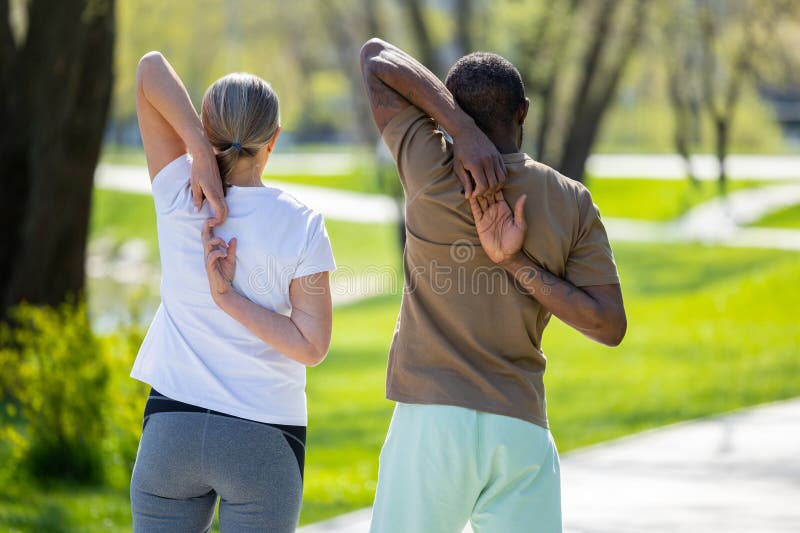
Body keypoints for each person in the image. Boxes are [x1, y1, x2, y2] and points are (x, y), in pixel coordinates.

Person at [360, 38, 627, 533]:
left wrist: (456, 128)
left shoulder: (429, 164)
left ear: (446, 108)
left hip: (430, 423)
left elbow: (376, 58)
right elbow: (609, 325)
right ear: (523, 112)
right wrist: (520, 264)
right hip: (520, 427)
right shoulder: (571, 201)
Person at [129, 51, 336, 532]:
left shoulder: (180, 189)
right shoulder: (303, 225)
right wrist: (233, 300)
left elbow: (151, 69)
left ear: (202, 125)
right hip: (263, 439)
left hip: (170, 432)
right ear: (274, 140)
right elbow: (312, 346)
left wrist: (197, 153)